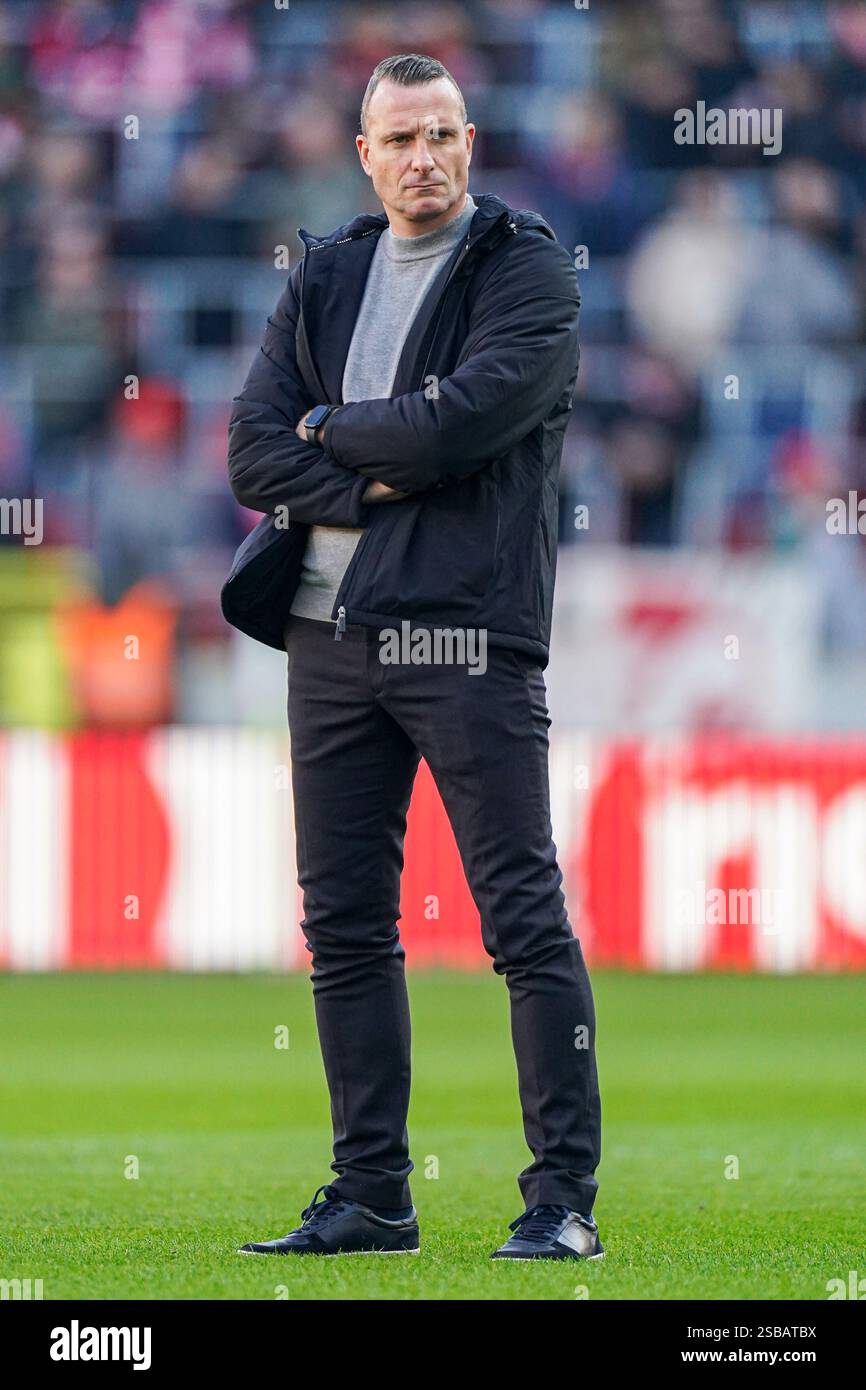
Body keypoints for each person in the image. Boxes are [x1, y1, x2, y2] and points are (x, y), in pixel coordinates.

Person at [228, 53, 603, 1262]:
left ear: (470, 138)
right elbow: (248, 455)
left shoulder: (527, 269)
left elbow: (467, 421)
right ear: (364, 153)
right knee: (342, 925)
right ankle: (371, 1195)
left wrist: (327, 433)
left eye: (440, 134)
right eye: (398, 140)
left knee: (520, 920)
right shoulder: (326, 270)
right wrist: (387, 458)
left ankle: (559, 1203)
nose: (421, 159)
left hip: (466, 636)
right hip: (325, 637)